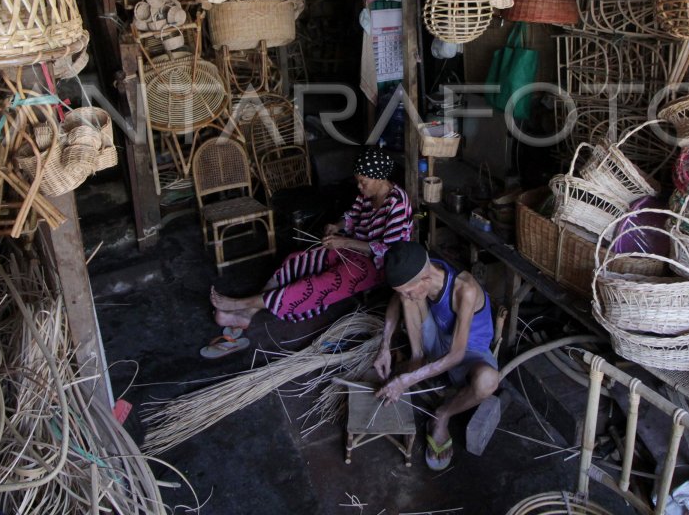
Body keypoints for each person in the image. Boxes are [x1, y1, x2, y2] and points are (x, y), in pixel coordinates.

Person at [210, 147, 413, 331]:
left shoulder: (396, 203)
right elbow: (352, 215)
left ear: (379, 178)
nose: (360, 186)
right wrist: (338, 226)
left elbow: (389, 249)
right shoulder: (367, 194)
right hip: (353, 250)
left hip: (377, 267)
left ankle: (241, 304)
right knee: (297, 259)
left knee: (318, 284)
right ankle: (248, 314)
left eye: (363, 182)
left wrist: (344, 243)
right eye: (358, 181)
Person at [373, 241, 499, 471]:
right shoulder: (423, 267)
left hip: (468, 352)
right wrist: (384, 345)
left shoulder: (465, 289)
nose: (408, 297)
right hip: (437, 339)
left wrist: (406, 380)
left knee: (488, 381)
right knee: (405, 299)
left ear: (425, 281)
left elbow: (456, 355)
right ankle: (417, 359)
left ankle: (443, 415)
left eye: (410, 291)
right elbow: (397, 298)